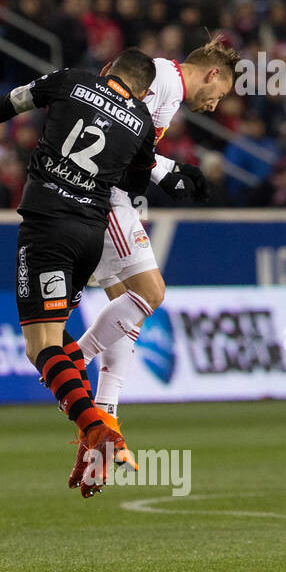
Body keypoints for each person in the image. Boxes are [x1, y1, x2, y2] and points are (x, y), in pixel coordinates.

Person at [0, 50, 160, 498]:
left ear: (108, 69)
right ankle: (93, 434)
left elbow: (11, 102)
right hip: (90, 236)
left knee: (40, 346)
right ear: (144, 91)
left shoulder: (72, 81)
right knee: (58, 339)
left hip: (46, 224)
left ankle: (101, 430)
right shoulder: (143, 122)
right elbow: (137, 184)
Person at [76, 39, 239, 423]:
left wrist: (174, 171)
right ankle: (68, 362)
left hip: (109, 194)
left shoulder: (168, 87)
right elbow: (120, 136)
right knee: (150, 294)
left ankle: (105, 416)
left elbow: (138, 147)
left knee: (129, 312)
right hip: (104, 194)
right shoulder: (162, 78)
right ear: (212, 73)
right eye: (222, 92)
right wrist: (169, 174)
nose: (217, 104)